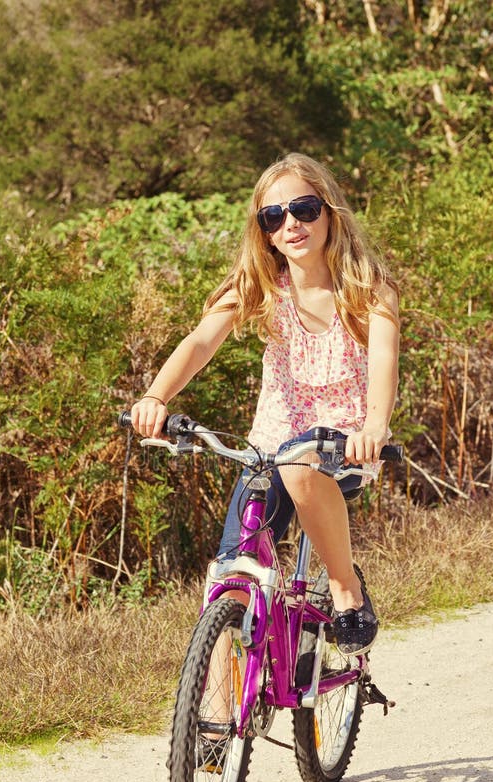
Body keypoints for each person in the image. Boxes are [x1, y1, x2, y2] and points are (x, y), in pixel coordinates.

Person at [131, 152, 399, 654]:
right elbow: (200, 342)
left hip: (341, 448)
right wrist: (155, 396)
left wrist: (375, 427)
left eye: (304, 209)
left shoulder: (367, 289)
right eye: (274, 216)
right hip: (270, 447)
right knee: (231, 576)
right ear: (265, 232)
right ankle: (213, 701)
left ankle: (345, 586)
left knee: (299, 466)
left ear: (329, 211)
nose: (291, 224)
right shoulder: (260, 286)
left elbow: (384, 361)